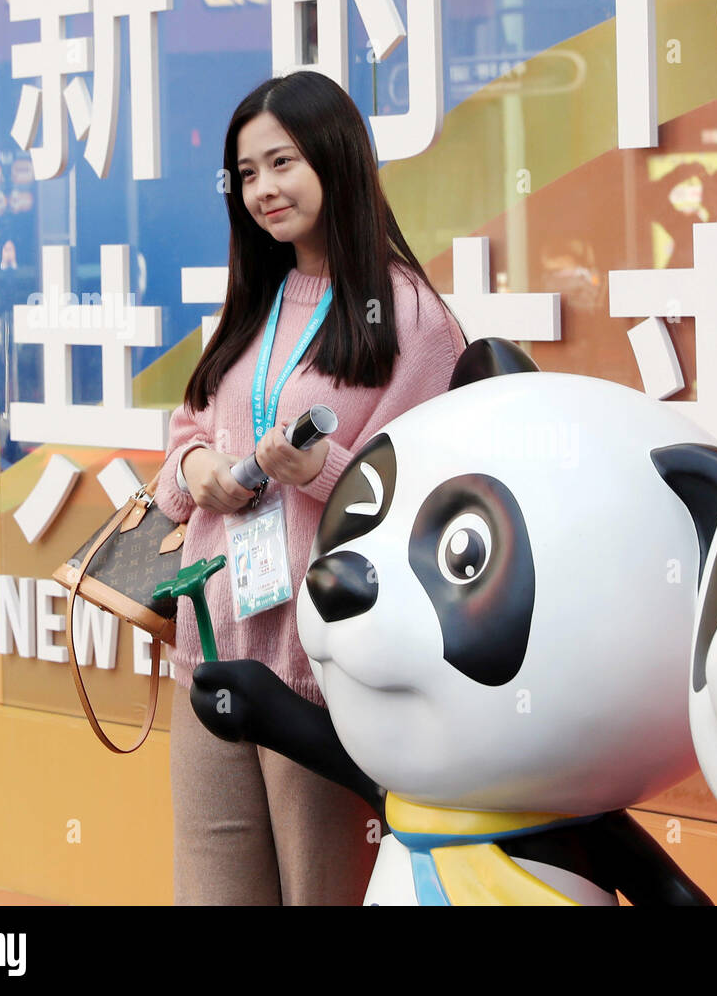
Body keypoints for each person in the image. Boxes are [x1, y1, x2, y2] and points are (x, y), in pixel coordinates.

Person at [154, 71, 466, 905]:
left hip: (327, 676)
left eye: (281, 163)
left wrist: (317, 472)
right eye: (247, 173)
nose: (262, 190)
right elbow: (187, 427)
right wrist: (193, 470)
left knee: (323, 893)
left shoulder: (411, 318)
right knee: (213, 891)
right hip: (211, 651)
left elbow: (432, 496)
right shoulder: (256, 299)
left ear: (335, 158)